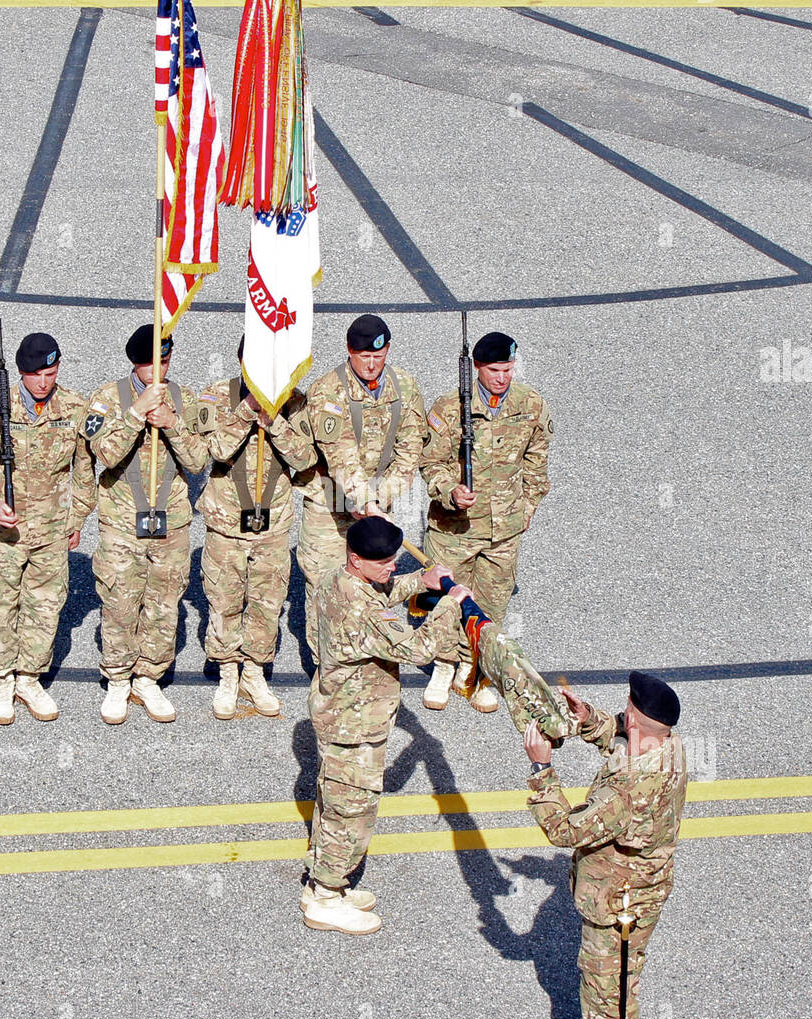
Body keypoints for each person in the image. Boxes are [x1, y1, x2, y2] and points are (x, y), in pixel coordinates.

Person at [523, 671, 687, 1019]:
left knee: (610, 988)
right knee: (603, 980)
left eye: (627, 712)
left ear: (638, 723)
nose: (622, 716)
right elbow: (620, 731)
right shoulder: (664, 745)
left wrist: (541, 768)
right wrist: (589, 719)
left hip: (621, 903)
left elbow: (563, 829)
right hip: (630, 888)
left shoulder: (632, 790)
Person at [301, 516, 469, 935]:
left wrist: (420, 581)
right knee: (352, 810)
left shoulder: (336, 580)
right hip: (355, 723)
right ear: (356, 559)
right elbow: (418, 648)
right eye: (383, 563)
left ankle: (326, 882)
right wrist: (450, 605)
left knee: (334, 801)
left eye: (394, 560)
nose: (391, 568)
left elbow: (380, 594)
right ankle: (324, 895)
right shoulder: (361, 610)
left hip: (339, 710)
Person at [0, 331, 95, 725]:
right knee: (0, 605)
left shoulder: (73, 408)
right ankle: (1, 679)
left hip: (51, 529)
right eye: (36, 375)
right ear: (21, 373)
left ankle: (29, 676)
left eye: (50, 373)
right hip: (2, 533)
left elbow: (84, 470)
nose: (43, 382)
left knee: (46, 607)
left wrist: (77, 517)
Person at [419, 331, 553, 713]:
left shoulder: (530, 406)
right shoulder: (450, 408)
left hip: (503, 531)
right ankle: (443, 667)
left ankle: (473, 670)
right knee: (446, 601)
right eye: (494, 369)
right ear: (477, 367)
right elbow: (430, 464)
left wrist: (526, 509)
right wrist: (450, 491)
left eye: (508, 369)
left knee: (491, 606)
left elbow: (536, 463)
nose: (502, 377)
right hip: (455, 529)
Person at [83, 324, 208, 725]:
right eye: (154, 363)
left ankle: (149, 676)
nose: (161, 371)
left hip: (170, 520)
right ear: (136, 363)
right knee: (120, 602)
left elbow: (197, 462)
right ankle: (118, 678)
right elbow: (105, 454)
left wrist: (172, 423)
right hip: (121, 522)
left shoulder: (184, 399)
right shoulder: (106, 399)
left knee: (163, 603)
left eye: (167, 362)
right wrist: (136, 415)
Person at [295, 314, 428, 660]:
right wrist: (366, 502)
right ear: (349, 352)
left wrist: (380, 501)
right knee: (325, 584)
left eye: (377, 356)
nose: (371, 364)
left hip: (378, 505)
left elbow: (410, 451)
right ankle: (326, 663)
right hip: (331, 504)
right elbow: (340, 456)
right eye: (363, 356)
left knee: (376, 579)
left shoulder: (406, 388)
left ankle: (369, 655)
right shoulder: (327, 391)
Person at [195, 340, 315, 718]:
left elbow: (306, 457)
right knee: (224, 600)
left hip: (272, 524)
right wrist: (246, 412)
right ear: (241, 362)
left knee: (267, 604)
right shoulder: (215, 396)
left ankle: (255, 671)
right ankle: (228, 671)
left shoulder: (295, 401)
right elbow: (211, 451)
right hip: (227, 522)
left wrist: (274, 423)